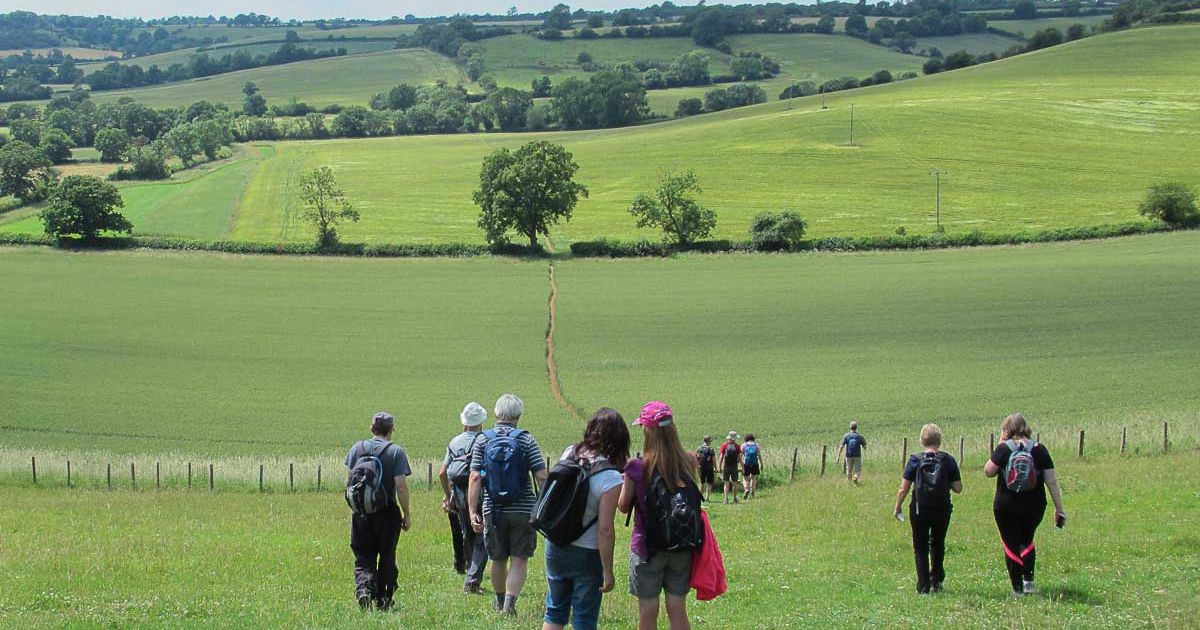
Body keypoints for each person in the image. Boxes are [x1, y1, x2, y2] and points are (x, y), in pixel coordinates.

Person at [543, 408, 630, 630]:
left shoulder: (568, 453)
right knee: (584, 616)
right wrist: (607, 571)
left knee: (554, 610)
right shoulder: (610, 477)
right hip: (587, 551)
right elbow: (605, 530)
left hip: (555, 542)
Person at [619, 401, 697, 630]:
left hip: (647, 547)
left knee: (648, 611)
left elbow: (623, 506)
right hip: (682, 544)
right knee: (677, 608)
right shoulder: (690, 460)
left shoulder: (636, 467)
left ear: (647, 430)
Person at [468, 394, 548, 616]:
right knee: (519, 558)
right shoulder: (526, 439)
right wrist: (544, 504)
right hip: (523, 509)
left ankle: (499, 599)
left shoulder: (483, 440)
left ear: (496, 414)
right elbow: (541, 475)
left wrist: (473, 510)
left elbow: (475, 477)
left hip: (493, 509)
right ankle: (509, 605)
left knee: (497, 557)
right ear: (518, 415)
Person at [984, 413, 1067, 597]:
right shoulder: (1039, 449)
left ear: (1007, 430)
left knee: (1010, 542)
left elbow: (988, 471)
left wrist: (1000, 445)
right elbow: (1051, 481)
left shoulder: (1004, 449)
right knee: (1027, 540)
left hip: (1006, 506)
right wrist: (1059, 509)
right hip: (1034, 505)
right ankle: (1028, 583)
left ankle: (1017, 589)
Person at [345, 411, 412, 611]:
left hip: (361, 513)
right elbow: (401, 486)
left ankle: (364, 590)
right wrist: (406, 514)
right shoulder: (396, 452)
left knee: (363, 556)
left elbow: (350, 481)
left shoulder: (357, 448)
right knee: (387, 555)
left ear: (371, 428)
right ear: (392, 429)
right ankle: (383, 599)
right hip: (387, 512)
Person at [893, 423, 963, 594]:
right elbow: (958, 488)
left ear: (922, 440)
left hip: (919, 509)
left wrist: (897, 507)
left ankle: (923, 585)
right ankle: (937, 581)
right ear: (939, 440)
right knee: (938, 543)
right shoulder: (948, 460)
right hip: (942, 508)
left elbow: (904, 488)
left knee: (920, 546)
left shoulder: (915, 460)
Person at [439, 402, 489, 594]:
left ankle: (470, 571)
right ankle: (473, 580)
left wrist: (448, 495)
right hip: (481, 492)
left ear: (464, 422)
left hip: (458, 493)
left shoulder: (454, 442)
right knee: (482, 536)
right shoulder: (485, 440)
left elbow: (443, 472)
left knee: (467, 533)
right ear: (482, 422)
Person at [718, 432, 741, 504]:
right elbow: (740, 458)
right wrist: (743, 468)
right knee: (735, 483)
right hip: (734, 467)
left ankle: (725, 499)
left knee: (726, 484)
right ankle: (734, 498)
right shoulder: (737, 446)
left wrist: (719, 466)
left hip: (726, 467)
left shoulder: (724, 445)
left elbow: (721, 457)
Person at [741, 434, 763, 500]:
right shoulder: (756, 445)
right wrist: (762, 464)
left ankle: (746, 489)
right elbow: (759, 455)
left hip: (746, 464)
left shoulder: (744, 445)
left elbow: (741, 455)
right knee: (753, 478)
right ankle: (753, 493)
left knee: (745, 478)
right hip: (755, 464)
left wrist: (741, 464)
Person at [695, 436, 716, 502]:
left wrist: (697, 466)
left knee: (702, 483)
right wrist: (716, 467)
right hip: (709, 467)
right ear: (709, 441)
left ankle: (699, 497)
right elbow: (713, 460)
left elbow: (697, 458)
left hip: (701, 467)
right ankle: (707, 498)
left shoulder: (699, 448)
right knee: (709, 483)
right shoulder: (711, 449)